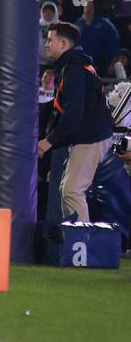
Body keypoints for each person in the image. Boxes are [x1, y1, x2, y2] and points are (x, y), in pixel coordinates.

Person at [39, 22, 115, 223]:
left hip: (92, 136)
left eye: (50, 40)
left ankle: (81, 247)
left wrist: (49, 142)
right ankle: (73, 244)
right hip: (89, 135)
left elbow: (73, 116)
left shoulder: (73, 69)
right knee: (68, 190)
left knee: (72, 191)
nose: (46, 44)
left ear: (63, 43)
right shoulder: (73, 65)